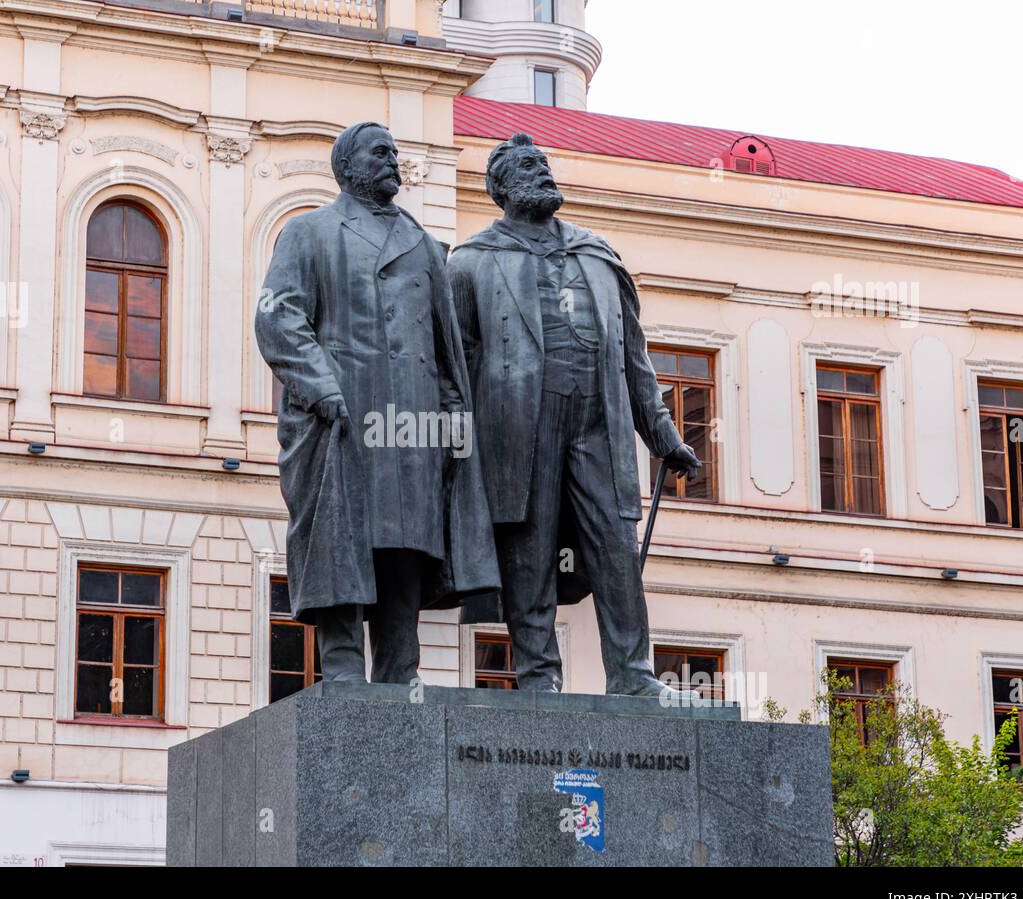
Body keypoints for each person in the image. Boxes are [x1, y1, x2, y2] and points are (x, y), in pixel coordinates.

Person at [448, 133, 701, 698]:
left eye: (544, 164)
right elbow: (455, 370)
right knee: (529, 551)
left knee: (615, 546)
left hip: (597, 423)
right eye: (526, 167)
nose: (541, 172)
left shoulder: (599, 256)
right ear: (500, 188)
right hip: (516, 429)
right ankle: (539, 676)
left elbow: (634, 359)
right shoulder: (469, 263)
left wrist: (662, 436)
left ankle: (634, 676)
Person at [255, 122, 498, 685]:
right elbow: (279, 316)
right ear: (347, 167)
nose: (393, 160)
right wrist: (321, 387)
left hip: (415, 422)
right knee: (342, 538)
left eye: (395, 151)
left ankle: (400, 672)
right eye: (379, 152)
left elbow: (448, 348)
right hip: (341, 414)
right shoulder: (310, 233)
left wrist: (455, 419)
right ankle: (341, 670)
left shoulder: (422, 244)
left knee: (404, 546)